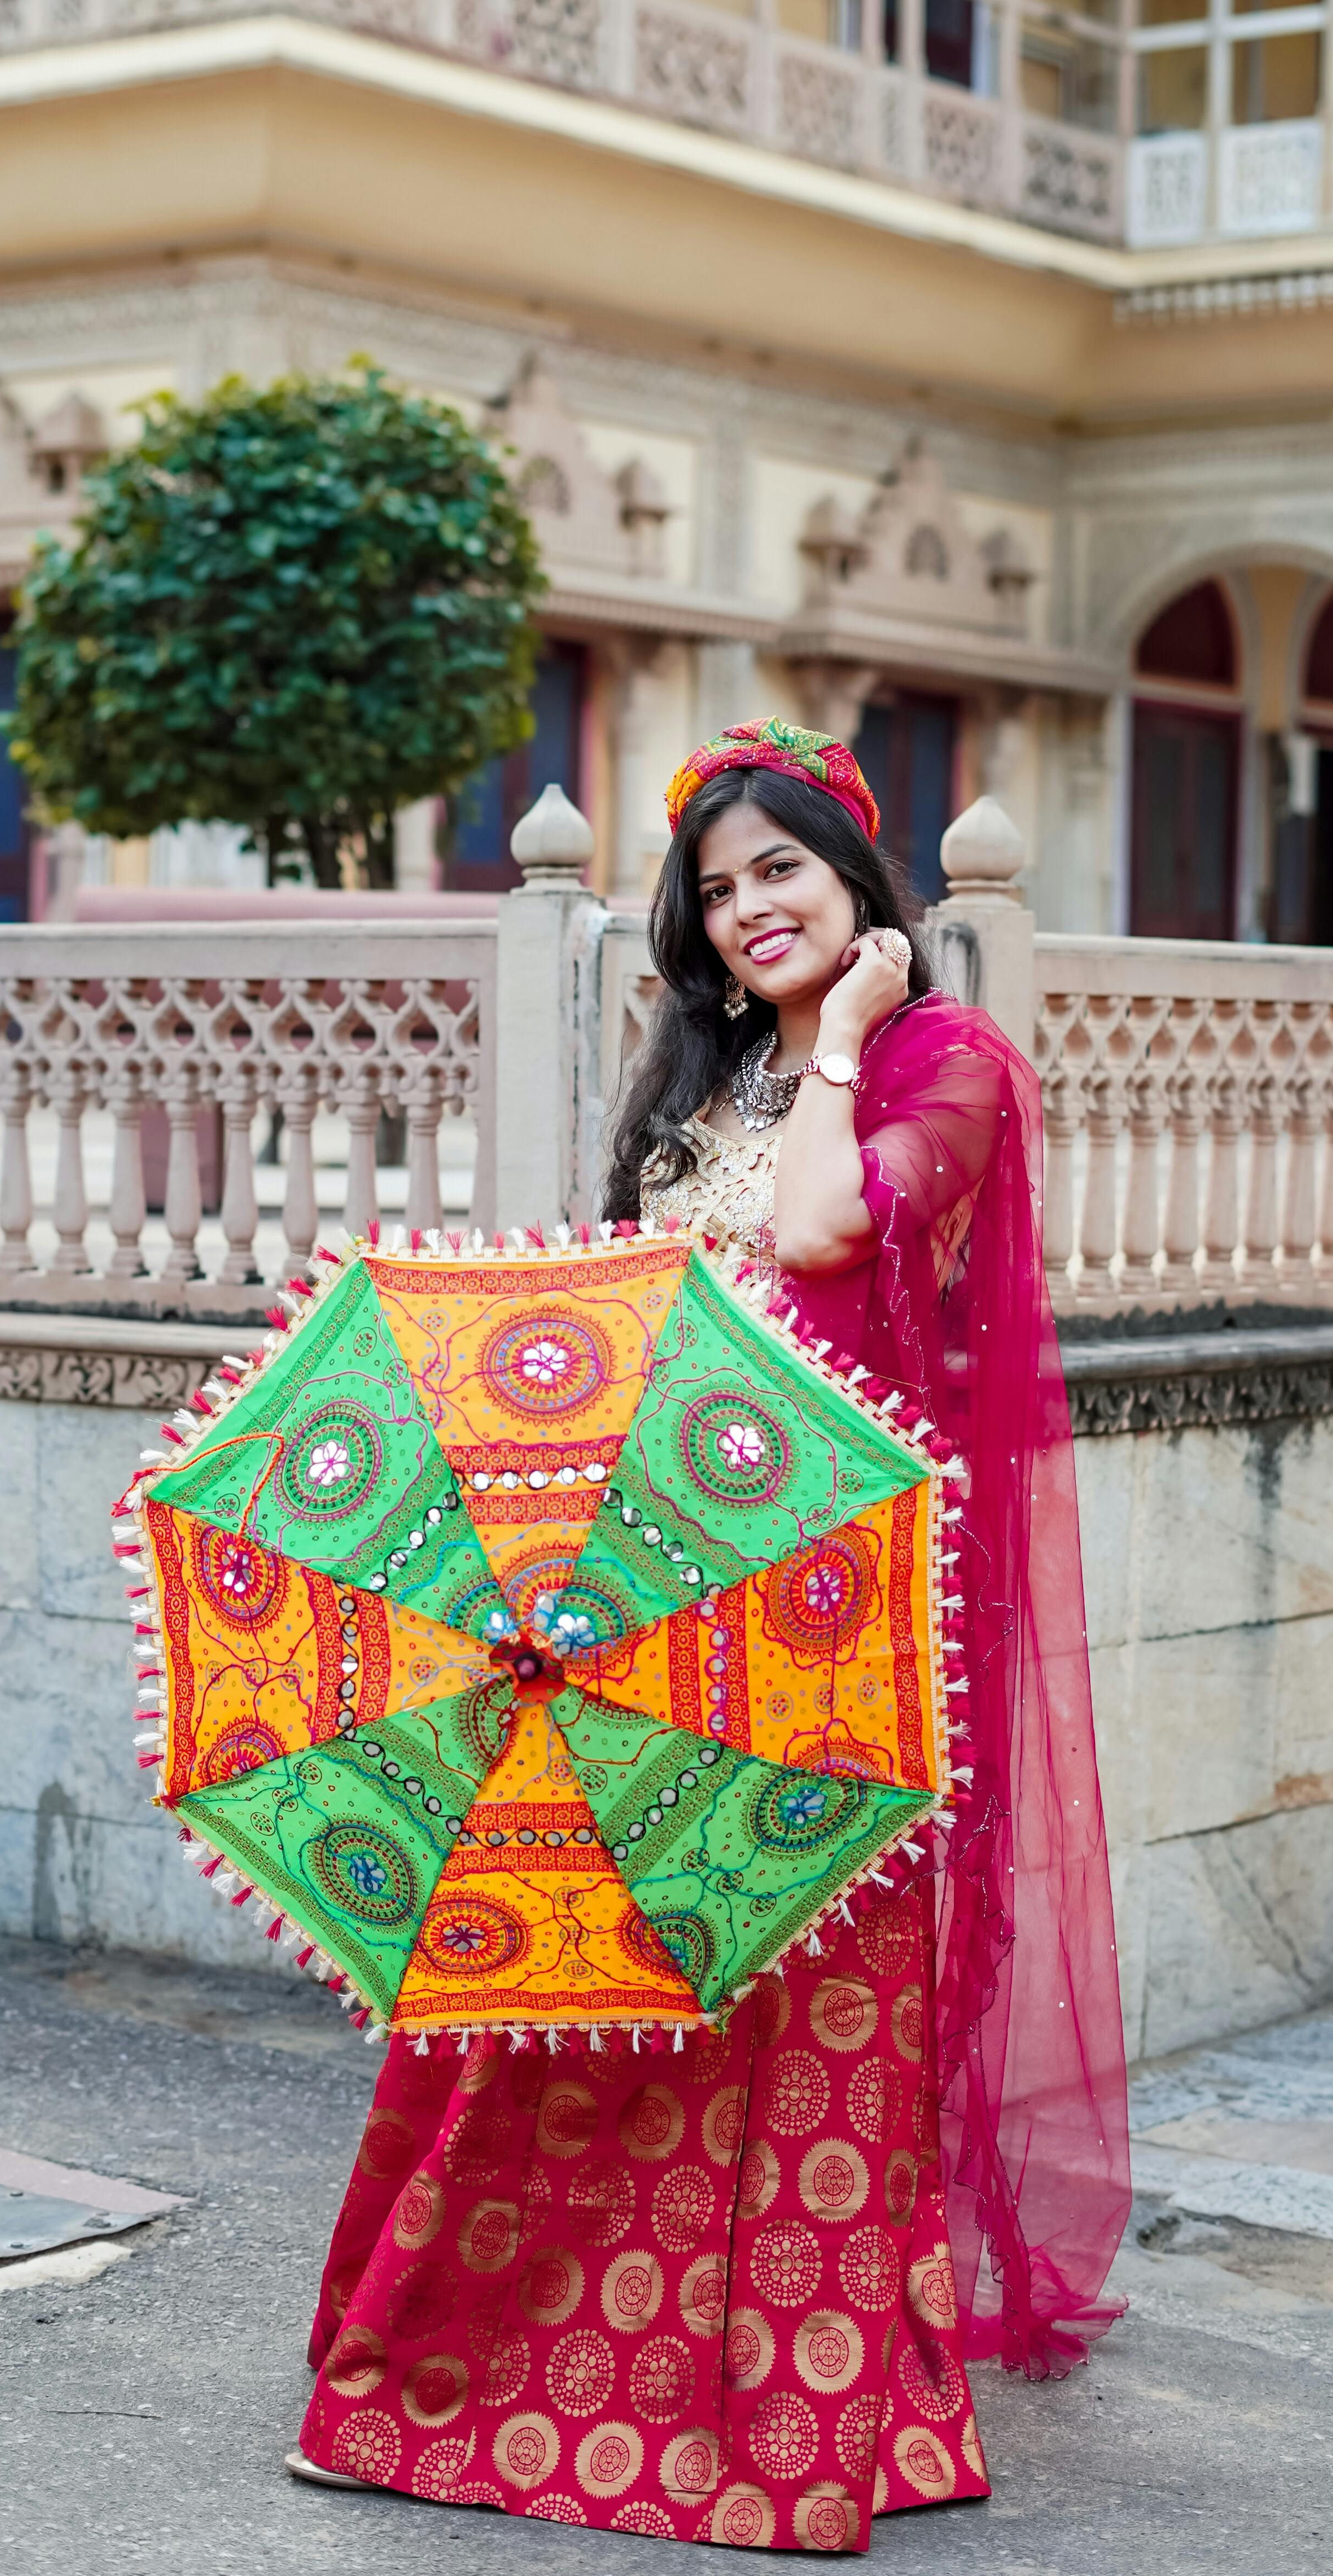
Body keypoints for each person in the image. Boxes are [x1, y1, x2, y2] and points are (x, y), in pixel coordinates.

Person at [288, 719, 1129, 2549]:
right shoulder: (711, 1072)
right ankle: (484, 2370)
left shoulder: (948, 1064)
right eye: (724, 885)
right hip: (653, 1588)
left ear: (862, 889)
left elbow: (830, 1237)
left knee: (785, 1983)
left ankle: (772, 2409)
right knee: (576, 1969)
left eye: (784, 872)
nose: (753, 909)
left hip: (834, 1621)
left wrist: (837, 1051)